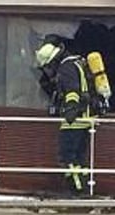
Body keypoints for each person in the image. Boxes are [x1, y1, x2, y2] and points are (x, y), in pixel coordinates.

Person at [35, 38, 96, 196]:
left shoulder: (66, 68)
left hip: (74, 120)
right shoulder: (76, 63)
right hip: (85, 118)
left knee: (67, 156)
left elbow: (72, 91)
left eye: (48, 67)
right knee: (80, 157)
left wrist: (69, 110)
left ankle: (75, 189)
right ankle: (83, 187)